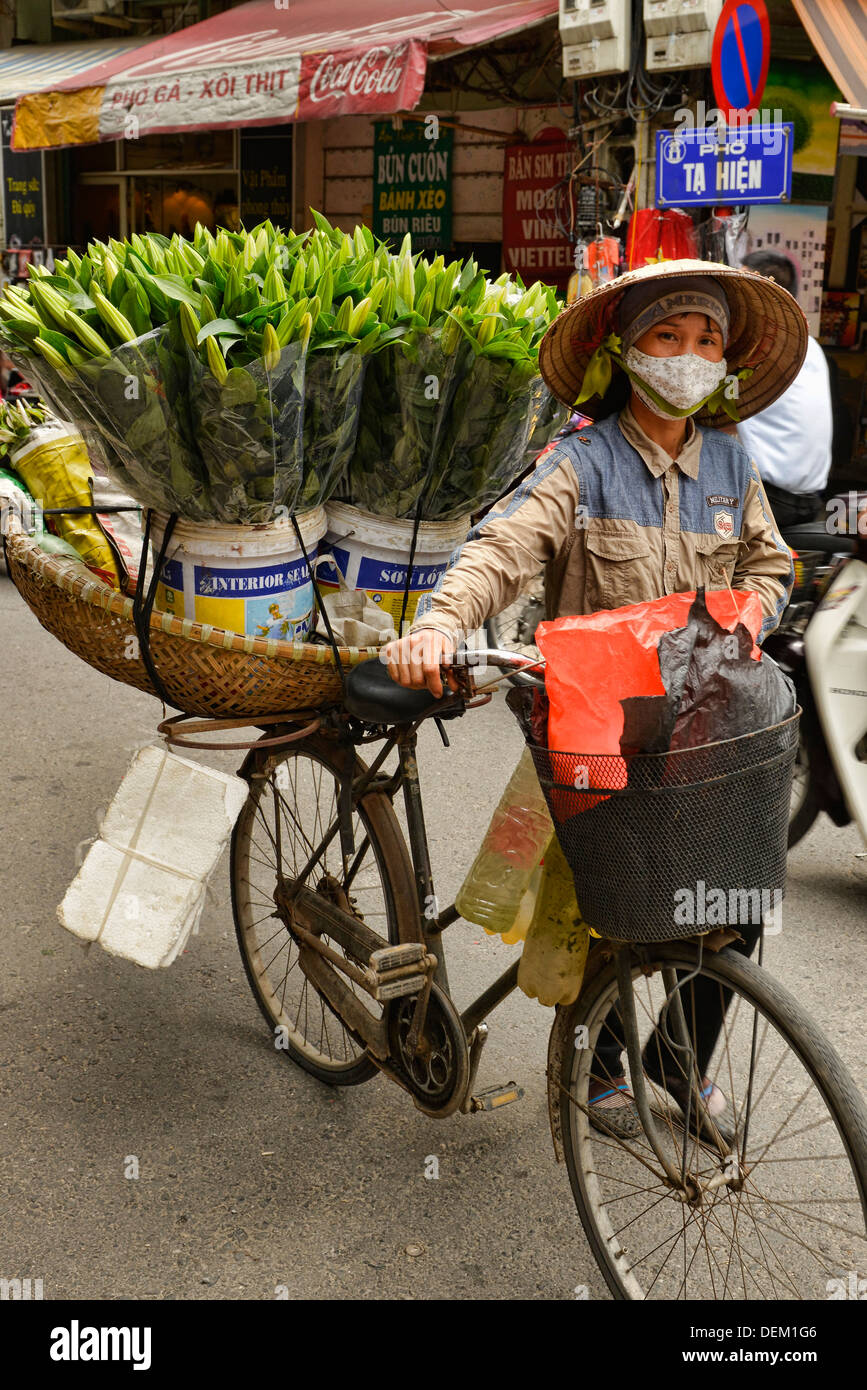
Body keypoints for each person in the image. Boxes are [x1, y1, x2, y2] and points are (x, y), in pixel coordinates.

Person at [382, 259, 806, 1141]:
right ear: (626, 350)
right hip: (600, 726)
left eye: (706, 342)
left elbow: (770, 564)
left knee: (729, 899)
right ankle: (605, 1061)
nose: (687, 356)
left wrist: (747, 619)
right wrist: (437, 622)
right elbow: (502, 549)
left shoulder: (732, 463)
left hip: (701, 729)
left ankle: (677, 1065)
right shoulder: (581, 462)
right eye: (668, 336)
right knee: (622, 902)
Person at [736, 251, 833, 528]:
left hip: (772, 499)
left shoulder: (761, 341)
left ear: (762, 289)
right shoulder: (807, 342)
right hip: (810, 497)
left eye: (743, 285)